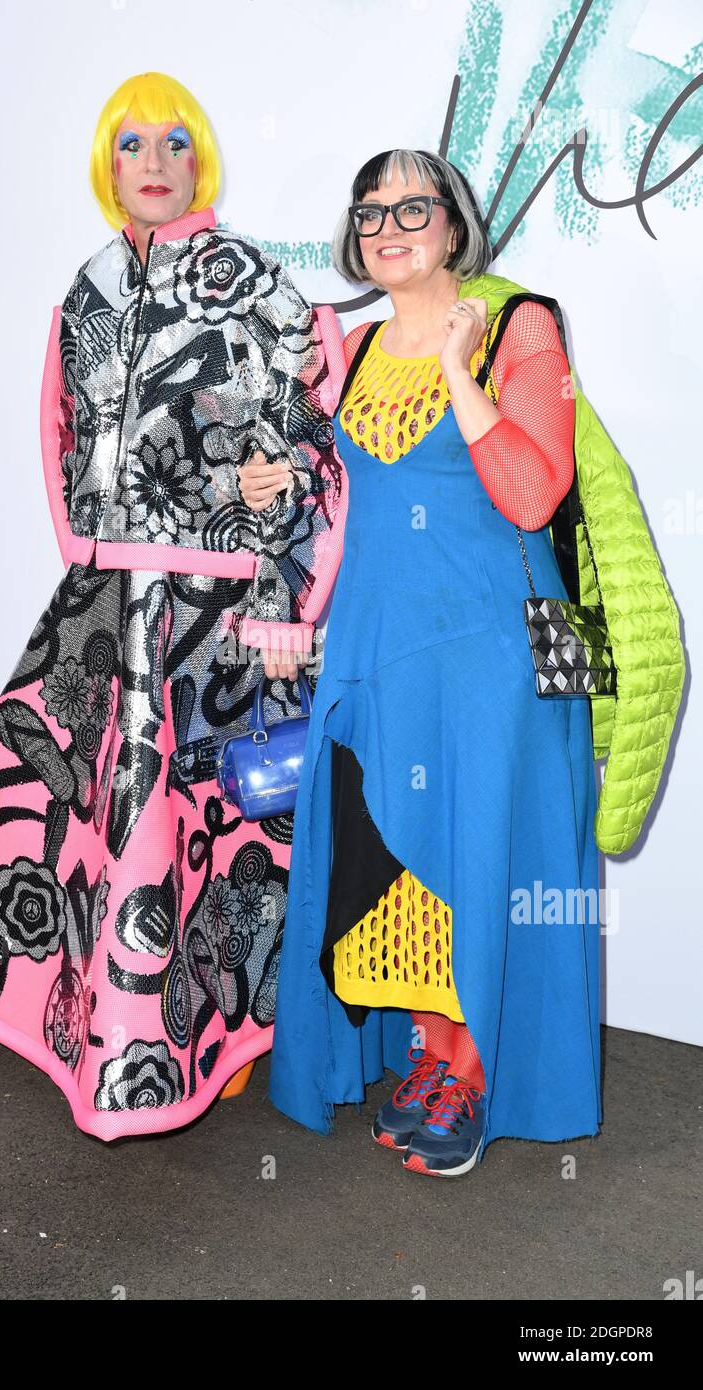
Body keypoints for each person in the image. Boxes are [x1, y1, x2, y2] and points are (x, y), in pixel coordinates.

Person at [0, 71, 346, 1141]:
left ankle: (212, 1032)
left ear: (199, 160)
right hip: (108, 594)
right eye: (129, 141)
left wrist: (282, 590)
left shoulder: (261, 286)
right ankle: (104, 1024)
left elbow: (310, 433)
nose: (150, 160)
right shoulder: (87, 284)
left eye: (171, 141)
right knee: (99, 817)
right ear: (107, 160)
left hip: (218, 604)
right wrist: (93, 563)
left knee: (208, 823)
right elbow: (60, 435)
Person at [267, 147, 604, 1177]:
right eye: (369, 213)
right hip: (374, 654)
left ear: (452, 223)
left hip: (489, 660)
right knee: (389, 863)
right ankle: (428, 1052)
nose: (389, 226)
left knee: (476, 861)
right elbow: (328, 494)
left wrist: (460, 372)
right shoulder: (353, 348)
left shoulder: (519, 329)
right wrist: (272, 471)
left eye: (412, 205)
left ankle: (475, 1069)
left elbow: (532, 495)